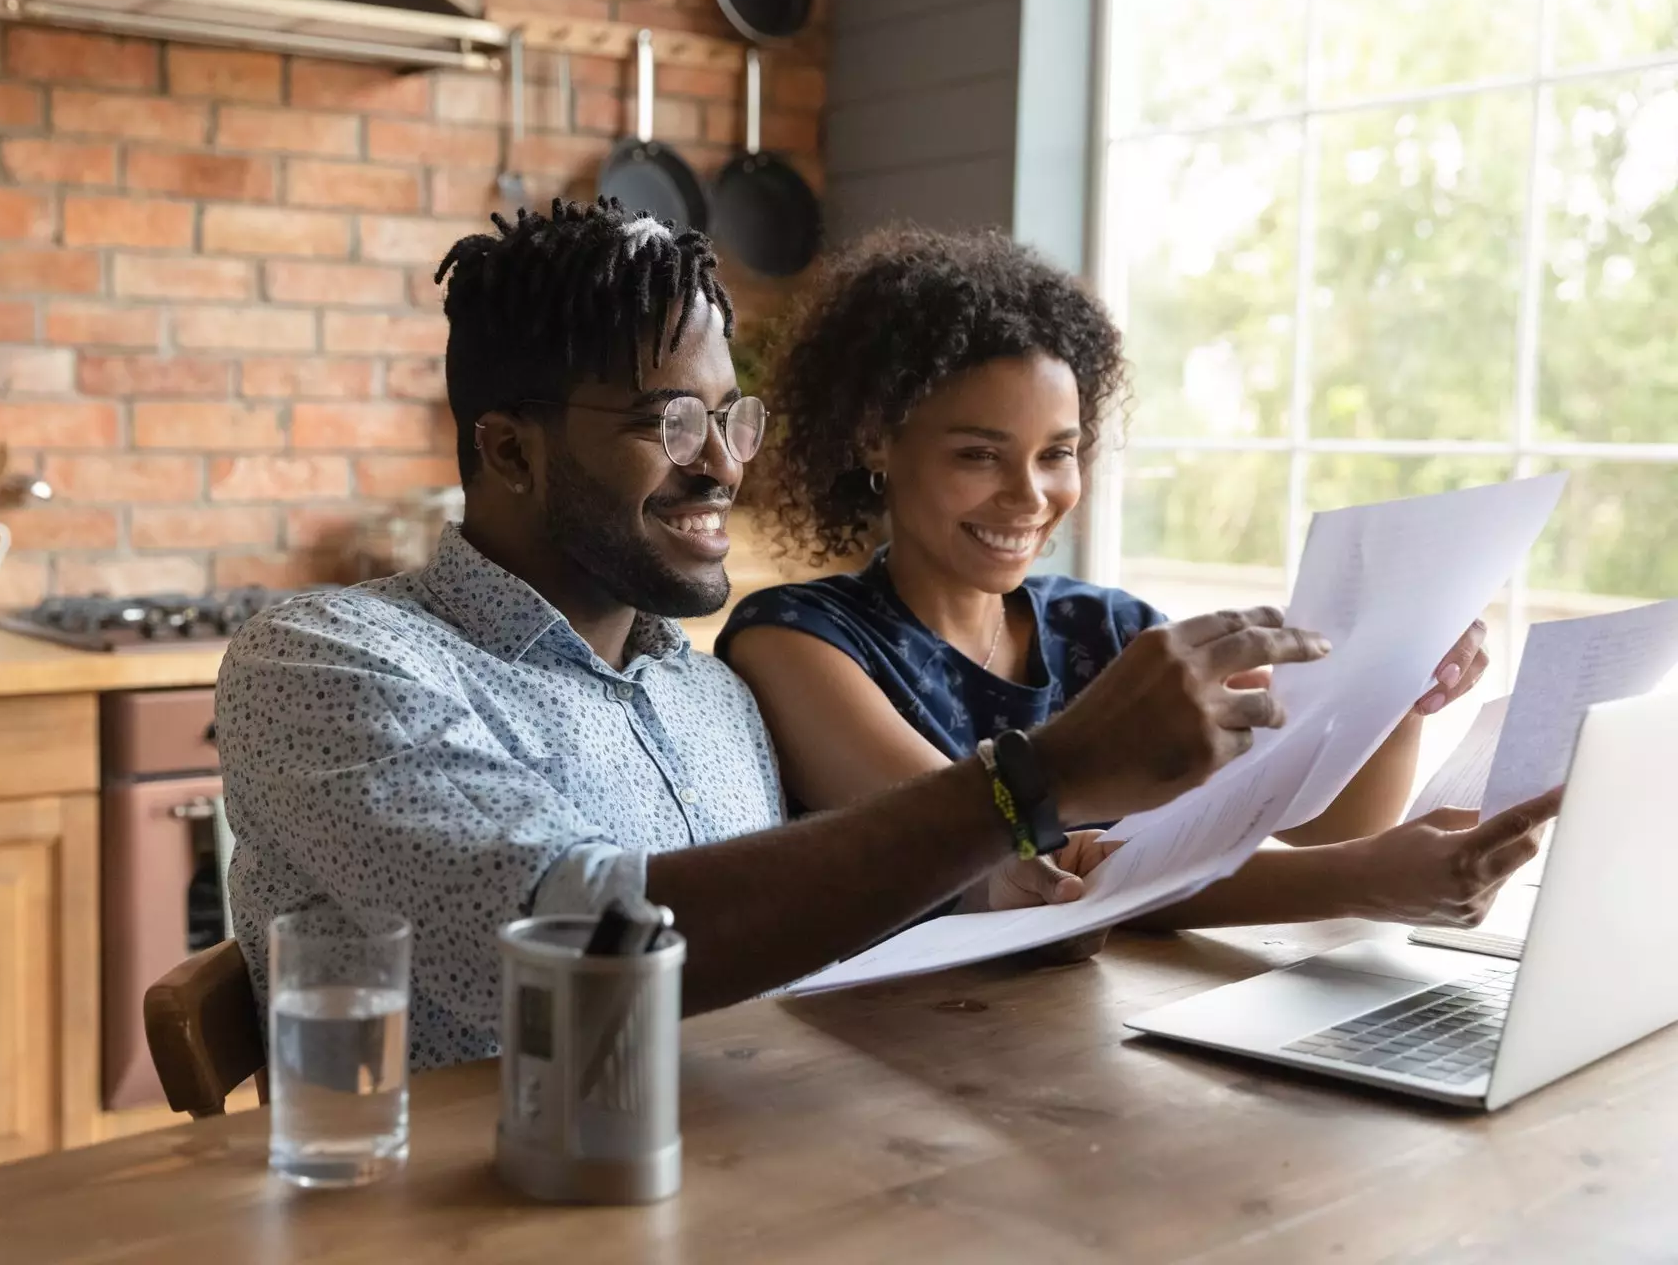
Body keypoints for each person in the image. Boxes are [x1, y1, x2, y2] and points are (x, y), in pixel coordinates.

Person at [215, 200, 1367, 1068]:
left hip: (749, 1184)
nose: (724, 461)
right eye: (668, 422)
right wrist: (1037, 777)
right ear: (510, 450)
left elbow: (807, 940)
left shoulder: (709, 694)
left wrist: (999, 895)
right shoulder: (328, 659)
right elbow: (588, 948)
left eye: (730, 416)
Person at [718, 225, 1539, 931]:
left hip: (1103, 1036)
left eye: (1057, 454)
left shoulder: (1106, 631)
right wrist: (1363, 882)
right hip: (901, 1052)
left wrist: (1398, 682)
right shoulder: (793, 644)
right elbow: (1026, 861)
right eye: (978, 455)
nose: (1030, 496)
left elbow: (1328, 827)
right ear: (874, 441)